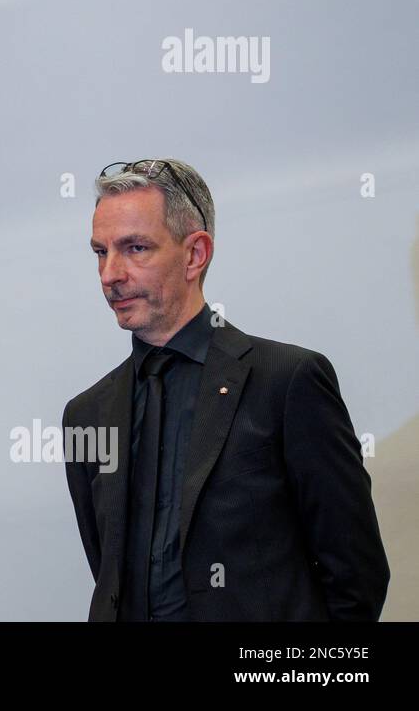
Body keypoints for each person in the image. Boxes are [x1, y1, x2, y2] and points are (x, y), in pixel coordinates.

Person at [63, 158, 389, 620]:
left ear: (195, 254)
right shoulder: (85, 414)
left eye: (135, 248)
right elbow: (110, 575)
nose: (110, 274)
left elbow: (357, 575)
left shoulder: (287, 381)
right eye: (101, 252)